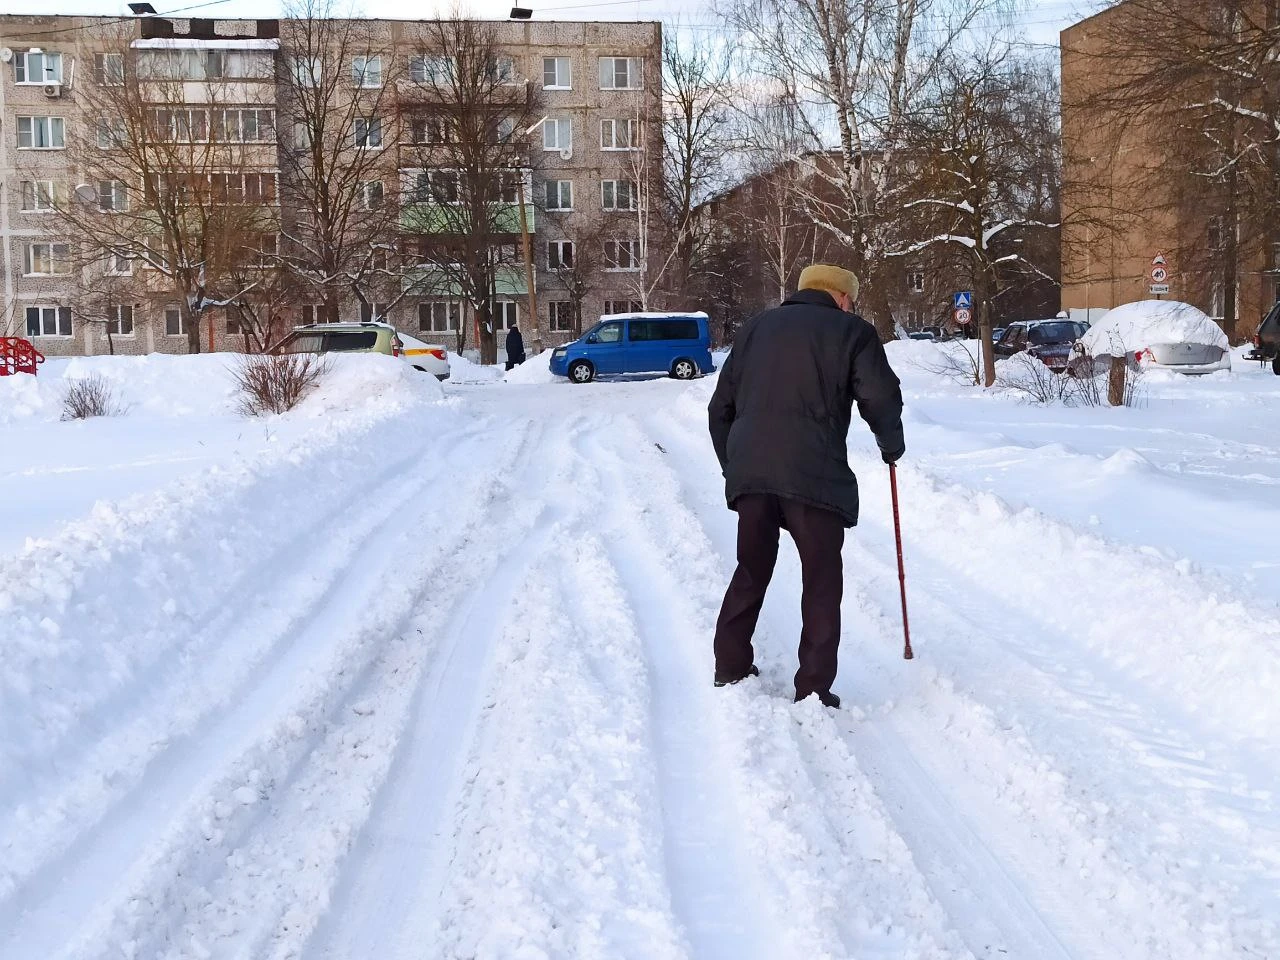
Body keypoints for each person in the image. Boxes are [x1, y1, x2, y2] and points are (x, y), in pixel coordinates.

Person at [707, 264, 905, 709]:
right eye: (850, 299)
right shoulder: (852, 331)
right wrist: (892, 446)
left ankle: (730, 664)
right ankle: (813, 686)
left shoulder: (755, 328)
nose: (851, 306)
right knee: (820, 580)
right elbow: (880, 397)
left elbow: (720, 408)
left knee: (751, 568)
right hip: (813, 476)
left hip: (753, 474)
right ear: (839, 296)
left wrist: (734, 467)